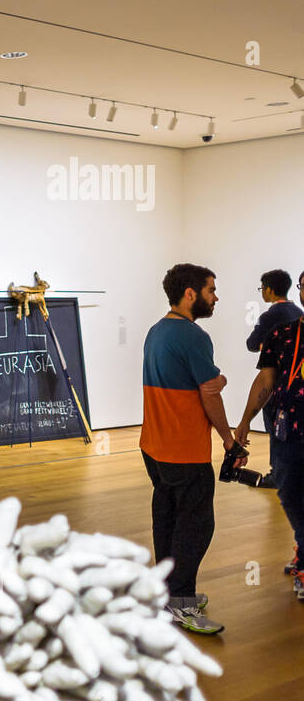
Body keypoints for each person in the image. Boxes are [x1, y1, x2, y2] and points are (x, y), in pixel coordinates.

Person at [140, 263, 242, 634]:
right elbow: (209, 394)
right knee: (196, 525)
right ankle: (181, 601)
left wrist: (214, 381)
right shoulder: (193, 336)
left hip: (153, 447)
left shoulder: (156, 331)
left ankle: (164, 594)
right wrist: (229, 440)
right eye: (211, 290)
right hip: (185, 451)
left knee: (166, 519)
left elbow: (199, 382)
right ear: (190, 293)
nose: (216, 298)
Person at [236, 297, 304, 600]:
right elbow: (266, 380)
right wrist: (244, 421)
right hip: (287, 431)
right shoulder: (280, 334)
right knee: (289, 493)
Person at [245, 269, 302, 489]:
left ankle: (278, 474)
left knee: (275, 428)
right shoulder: (297, 311)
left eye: (262, 289)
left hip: (277, 382)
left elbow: (252, 344)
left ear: (269, 289)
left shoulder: (270, 316)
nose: (262, 293)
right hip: (297, 383)